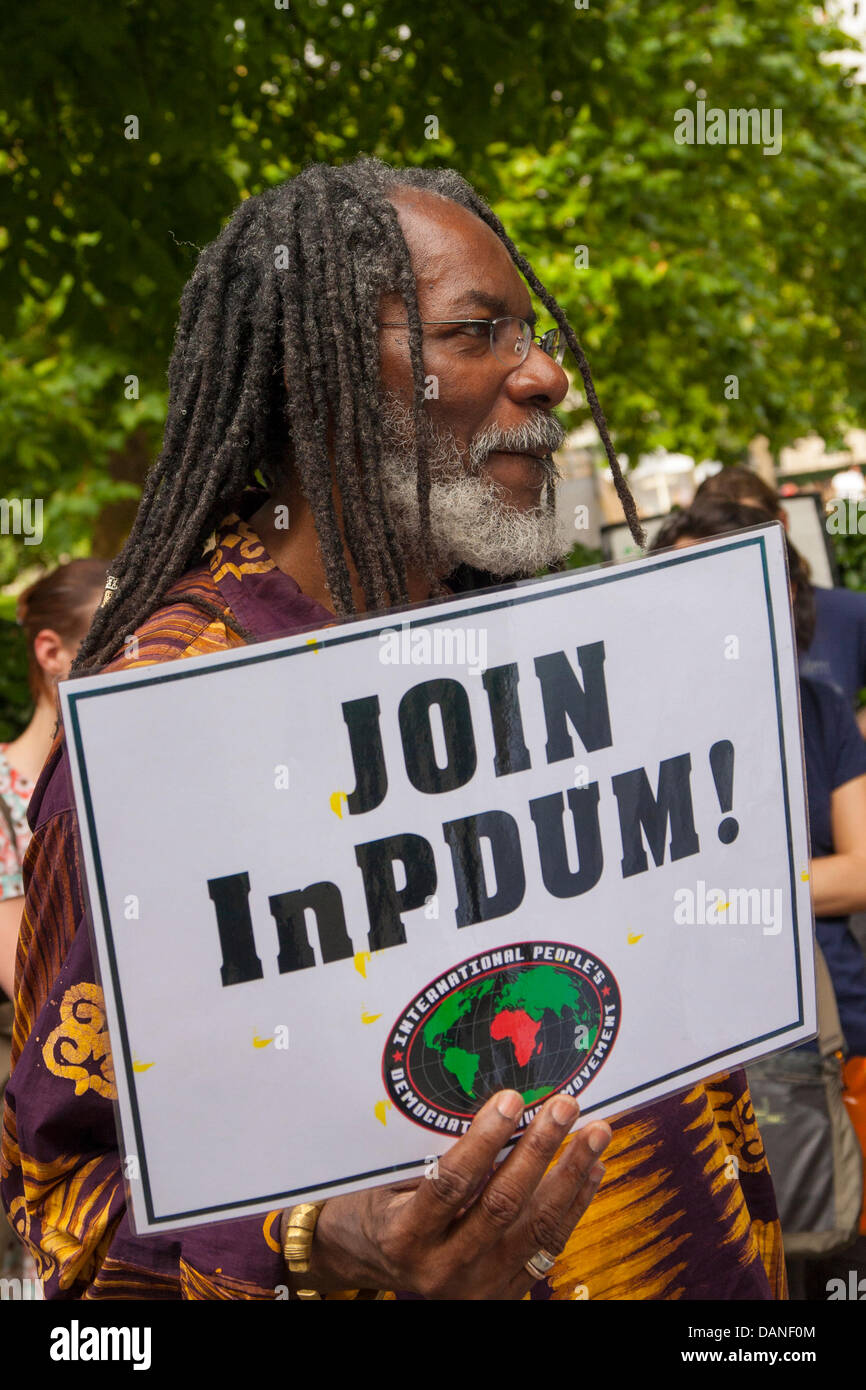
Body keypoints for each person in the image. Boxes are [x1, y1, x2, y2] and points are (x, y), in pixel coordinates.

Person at [2, 157, 785, 1301]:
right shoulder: (166, 730)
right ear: (317, 383)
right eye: (479, 334)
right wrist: (319, 1238)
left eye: (534, 331)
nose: (549, 377)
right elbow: (67, 1195)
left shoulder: (556, 648)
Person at [652, 497, 866, 1292]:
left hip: (830, 1041)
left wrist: (717, 893)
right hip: (698, 1064)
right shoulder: (642, 733)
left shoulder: (814, 709)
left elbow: (863, 872)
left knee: (831, 1249)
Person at [0, 559, 107, 1276]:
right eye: (111, 638)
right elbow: (23, 977)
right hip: (45, 1125)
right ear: (51, 652)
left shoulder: (119, 776)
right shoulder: (5, 796)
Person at [694, 466, 866, 732]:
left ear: (782, 522)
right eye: (719, 535)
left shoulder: (848, 614)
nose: (740, 551)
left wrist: (845, 746)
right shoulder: (686, 635)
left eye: (750, 529)